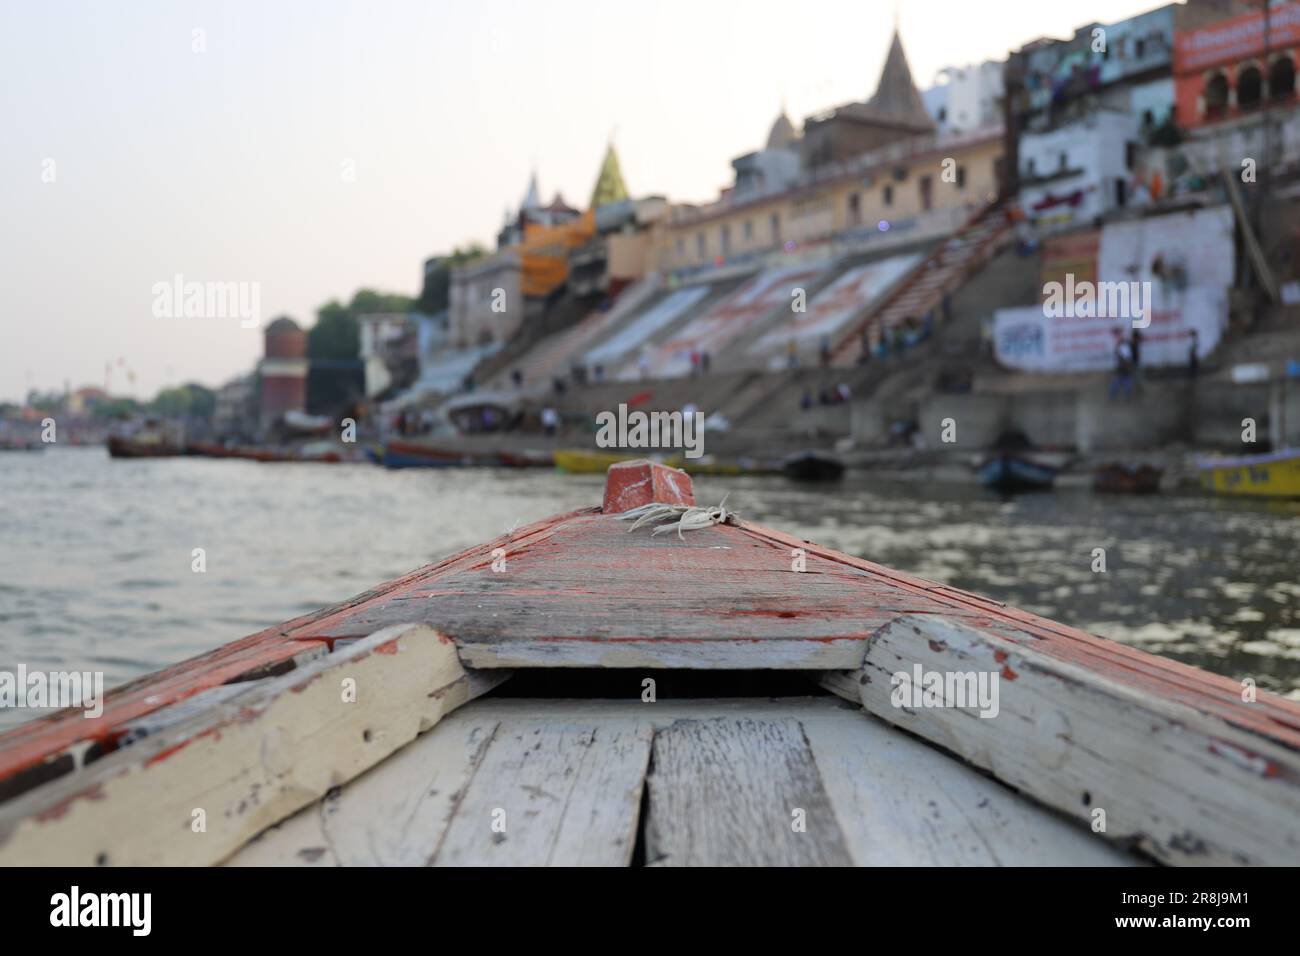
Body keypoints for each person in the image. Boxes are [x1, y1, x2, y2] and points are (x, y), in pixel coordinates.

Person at [1110, 329, 1134, 400]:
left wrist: (1125, 365)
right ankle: (1125, 397)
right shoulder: (1123, 346)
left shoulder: (1123, 347)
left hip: (1123, 367)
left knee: (1119, 383)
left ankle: (1114, 398)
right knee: (1122, 383)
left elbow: (1125, 358)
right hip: (1123, 367)